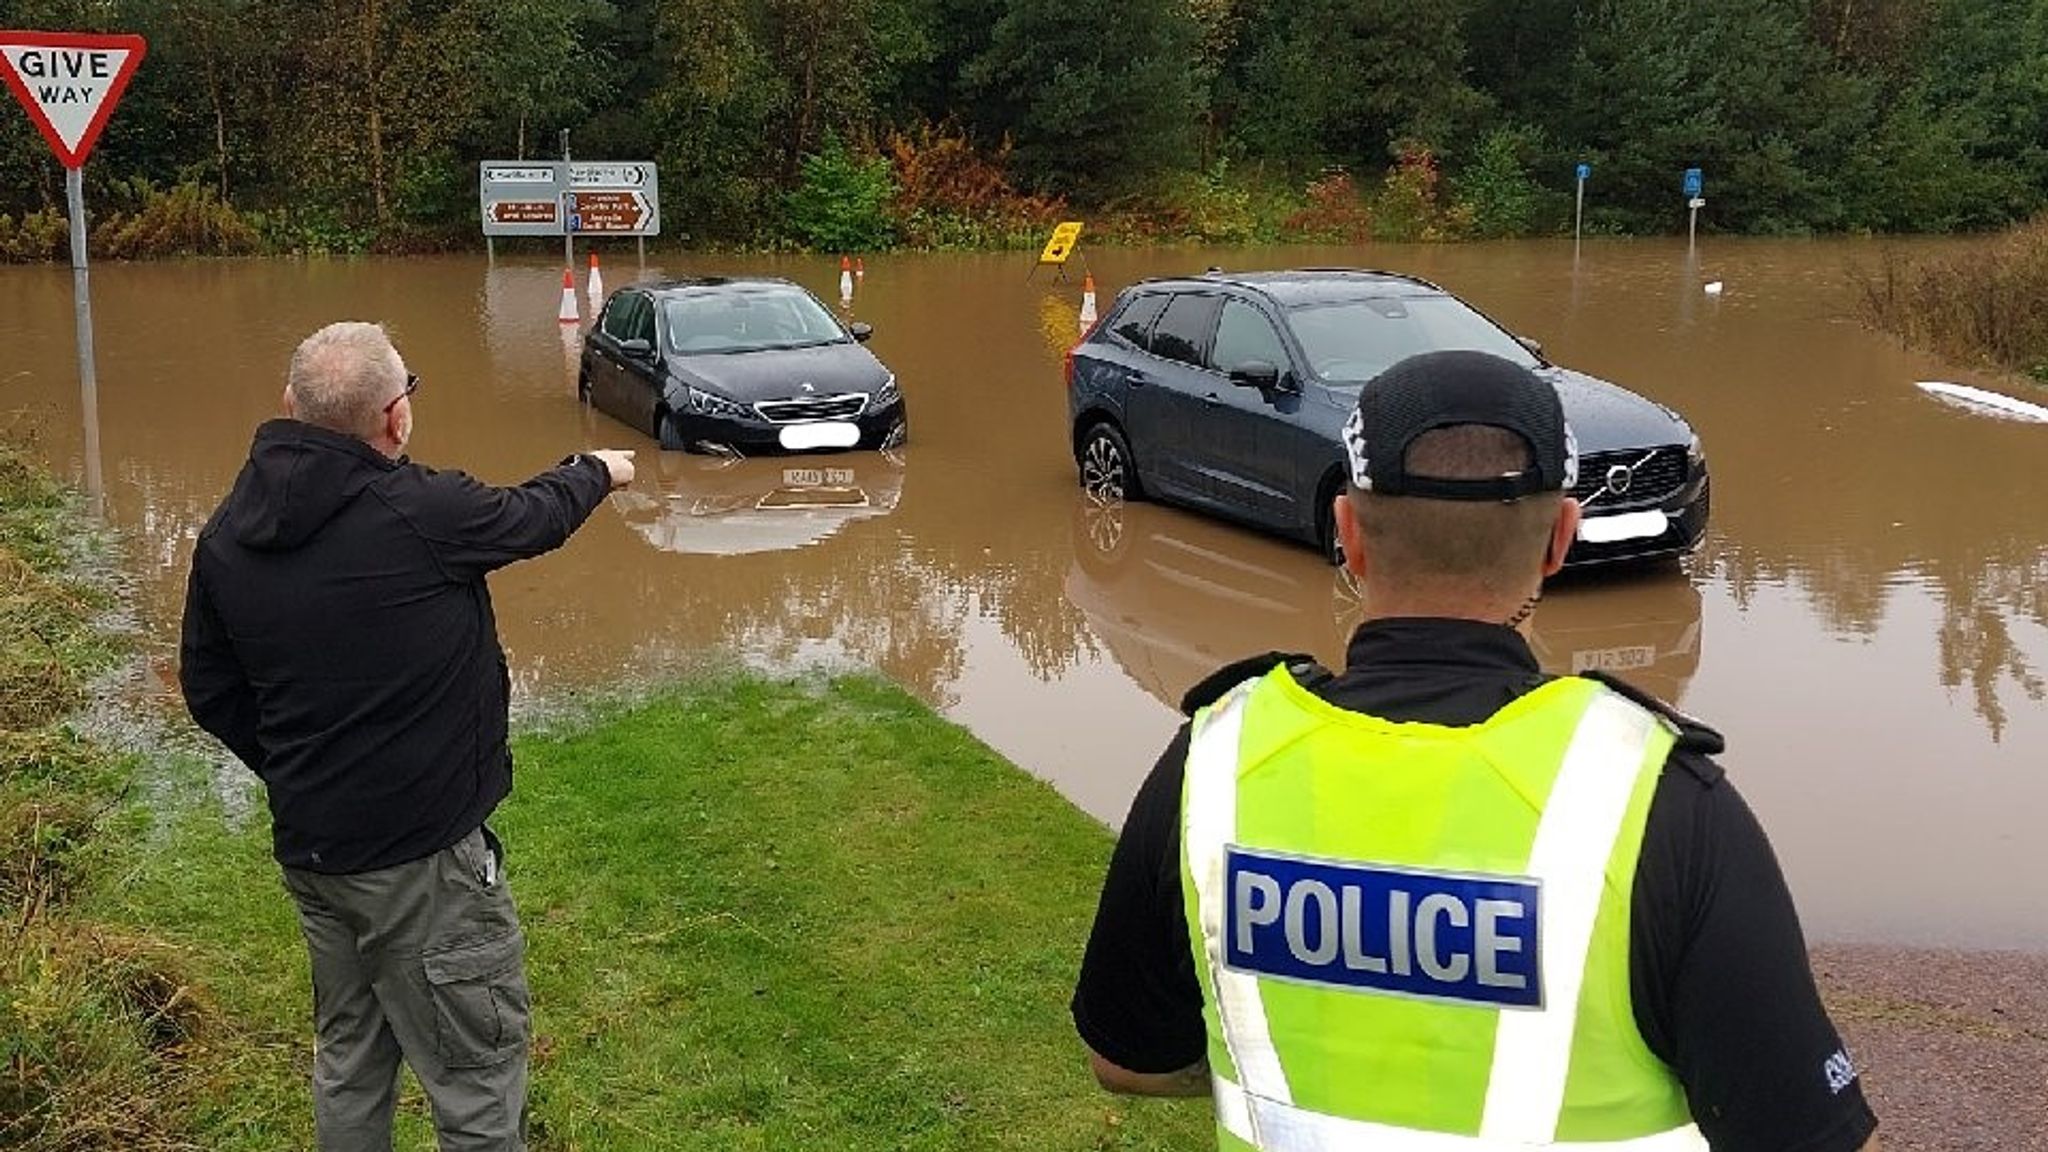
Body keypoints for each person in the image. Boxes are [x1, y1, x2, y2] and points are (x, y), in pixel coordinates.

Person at [1071, 350, 1879, 1152]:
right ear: (1561, 539)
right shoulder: (1660, 802)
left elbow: (1127, 1059)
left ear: (1348, 534)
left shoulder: (1215, 762)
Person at [179, 321, 635, 1151]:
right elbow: (532, 516)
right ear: (396, 416)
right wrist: (596, 470)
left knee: (351, 1058)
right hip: (423, 864)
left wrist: (301, 768)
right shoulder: (421, 511)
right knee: (476, 1078)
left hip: (316, 855)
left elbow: (211, 691)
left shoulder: (225, 536)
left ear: (290, 405)